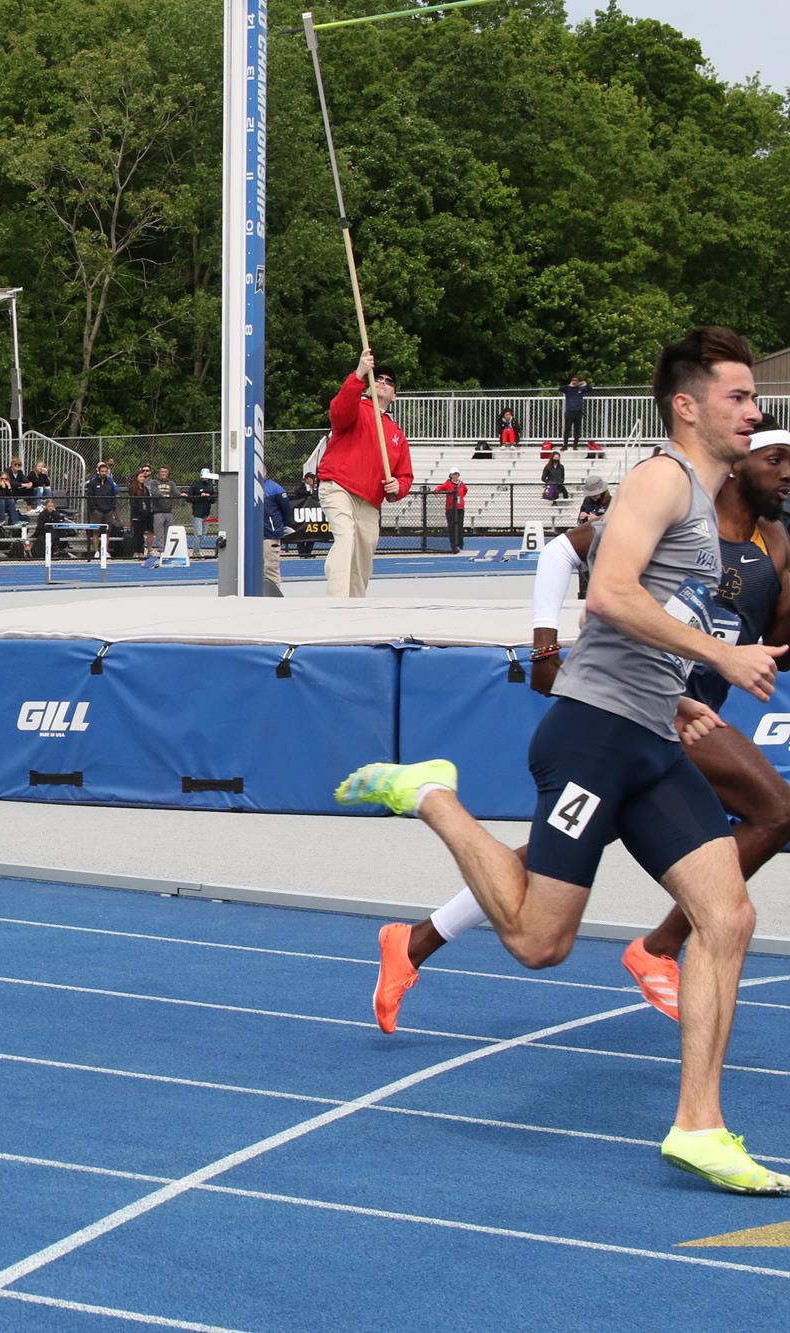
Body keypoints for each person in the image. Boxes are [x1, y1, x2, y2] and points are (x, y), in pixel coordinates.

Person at [335, 327, 785, 1194]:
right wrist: (721, 660)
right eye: (737, 396)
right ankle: (434, 795)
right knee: (542, 940)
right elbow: (608, 595)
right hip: (593, 737)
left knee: (726, 917)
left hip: (650, 733)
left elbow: (636, 617)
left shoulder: (710, 497)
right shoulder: (663, 479)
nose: (754, 411)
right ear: (688, 405)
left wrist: (679, 691)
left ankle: (700, 1126)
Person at [374, 421, 790, 1036]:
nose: (787, 472)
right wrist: (545, 644)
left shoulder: (775, 544)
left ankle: (415, 941)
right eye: (777, 458)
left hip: (688, 712)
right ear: (737, 464)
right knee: (776, 810)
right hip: (635, 707)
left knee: (570, 852)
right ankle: (657, 948)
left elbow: (776, 640)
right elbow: (559, 552)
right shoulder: (677, 511)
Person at [318, 349, 413, 597]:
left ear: (395, 395)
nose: (382, 382)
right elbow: (337, 412)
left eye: (388, 381)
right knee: (345, 538)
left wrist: (397, 488)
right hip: (339, 487)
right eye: (378, 378)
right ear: (370, 386)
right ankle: (335, 602)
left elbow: (405, 476)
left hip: (370, 502)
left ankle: (354, 606)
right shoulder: (357, 407)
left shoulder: (396, 434)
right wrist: (359, 373)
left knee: (363, 557)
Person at [260, 463, 292, 593]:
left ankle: (274, 593)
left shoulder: (274, 488)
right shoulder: (247, 487)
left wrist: (278, 528)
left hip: (270, 535)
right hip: (252, 535)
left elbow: (287, 511)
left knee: (270, 566)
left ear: (265, 471)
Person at [146, 464, 178, 559]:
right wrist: (164, 495)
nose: (163, 473)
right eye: (162, 472)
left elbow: (176, 492)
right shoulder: (154, 482)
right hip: (158, 511)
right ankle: (161, 550)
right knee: (159, 533)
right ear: (159, 473)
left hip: (168, 511)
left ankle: (168, 550)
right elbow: (155, 493)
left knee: (168, 532)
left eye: (165, 472)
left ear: (168, 473)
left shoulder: (171, 483)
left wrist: (183, 494)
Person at [289, 472, 323, 558]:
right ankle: (302, 552)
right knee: (300, 532)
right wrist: (309, 493)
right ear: (307, 479)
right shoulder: (302, 486)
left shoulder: (316, 487)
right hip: (303, 513)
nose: (313, 481)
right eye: (311, 479)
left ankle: (308, 552)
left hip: (312, 514)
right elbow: (297, 492)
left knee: (312, 532)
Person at [86, 459, 121, 543]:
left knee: (107, 532)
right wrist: (94, 509)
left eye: (105, 471)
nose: (104, 473)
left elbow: (113, 495)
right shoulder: (93, 482)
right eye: (102, 471)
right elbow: (90, 496)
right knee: (96, 532)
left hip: (108, 511)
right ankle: (96, 552)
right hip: (97, 511)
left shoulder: (110, 482)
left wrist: (112, 508)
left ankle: (105, 552)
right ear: (98, 471)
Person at [433, 469, 467, 552]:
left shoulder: (461, 484)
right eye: (454, 474)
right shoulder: (448, 483)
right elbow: (439, 488)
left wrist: (461, 499)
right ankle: (453, 545)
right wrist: (436, 491)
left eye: (457, 474)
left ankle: (460, 544)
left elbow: (465, 490)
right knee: (452, 527)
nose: (455, 476)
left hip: (460, 508)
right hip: (451, 509)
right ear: (451, 475)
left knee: (459, 527)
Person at [184, 468, 216, 542]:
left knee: (204, 534)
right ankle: (196, 552)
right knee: (198, 533)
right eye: (203, 475)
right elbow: (189, 498)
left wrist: (208, 497)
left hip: (206, 514)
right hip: (197, 514)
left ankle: (199, 548)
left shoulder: (210, 486)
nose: (205, 477)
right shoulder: (195, 486)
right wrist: (199, 496)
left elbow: (213, 500)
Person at [563, 374, 589, 451]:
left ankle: (575, 446)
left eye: (576, 381)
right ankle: (565, 445)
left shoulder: (581, 389)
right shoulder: (567, 389)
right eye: (573, 381)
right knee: (567, 429)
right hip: (569, 412)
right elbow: (560, 389)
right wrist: (569, 385)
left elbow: (590, 389)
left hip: (578, 412)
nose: (574, 382)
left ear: (578, 382)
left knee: (577, 430)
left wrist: (585, 384)